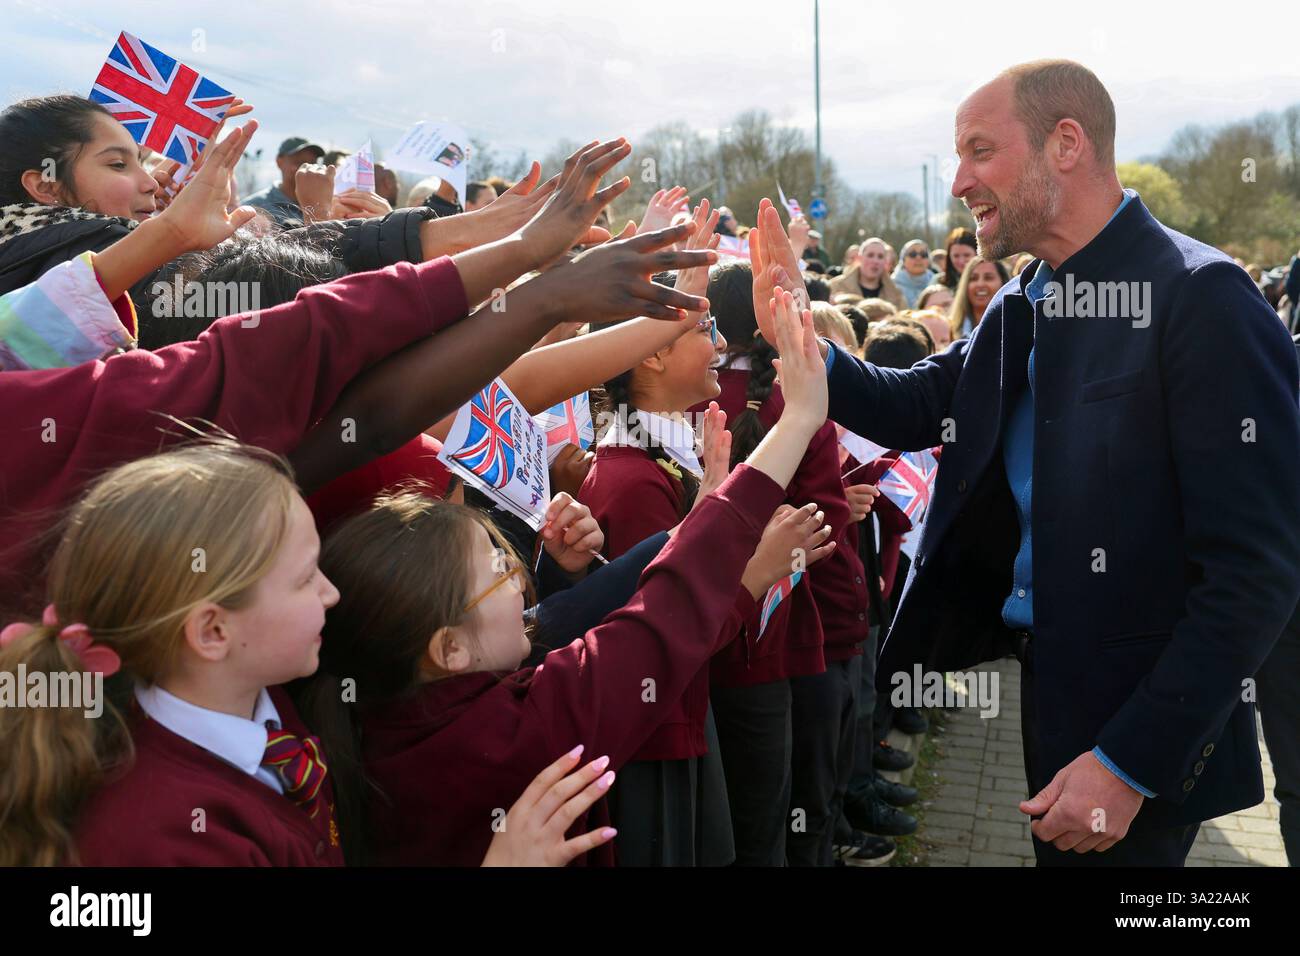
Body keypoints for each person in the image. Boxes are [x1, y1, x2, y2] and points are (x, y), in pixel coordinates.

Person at [747, 58, 1300, 867]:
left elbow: (1257, 571)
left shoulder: (1202, 297)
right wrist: (802, 338)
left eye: (979, 151)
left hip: (1144, 725)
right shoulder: (1025, 295)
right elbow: (919, 403)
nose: (959, 180)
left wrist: (1131, 763)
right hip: (1050, 687)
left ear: (1066, 143)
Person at [293, 289, 832, 866]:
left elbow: (632, 618)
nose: (523, 585)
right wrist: (795, 423)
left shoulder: (384, 725)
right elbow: (660, 621)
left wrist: (566, 575)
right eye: (501, 568)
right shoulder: (510, 734)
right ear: (448, 647)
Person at [0, 440, 619, 866]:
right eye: (304, 580)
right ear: (212, 632)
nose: (331, 593)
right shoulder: (169, 837)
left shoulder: (273, 714)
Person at [242, 136, 325, 225]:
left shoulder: (327, 204)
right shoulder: (254, 207)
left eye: (312, 163)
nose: (307, 169)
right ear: (279, 161)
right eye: (298, 162)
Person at [827, 237, 905, 309]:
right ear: (860, 258)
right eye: (870, 255)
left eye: (880, 257)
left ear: (885, 262)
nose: (875, 261)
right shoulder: (835, 286)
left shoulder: (896, 294)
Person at [948, 255, 1009, 339]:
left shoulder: (1015, 327)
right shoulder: (949, 330)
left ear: (1004, 283)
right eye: (973, 278)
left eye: (988, 278)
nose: (980, 284)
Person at [891, 238, 938, 307]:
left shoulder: (937, 283)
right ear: (903, 260)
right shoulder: (892, 285)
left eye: (923, 254)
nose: (918, 258)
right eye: (912, 254)